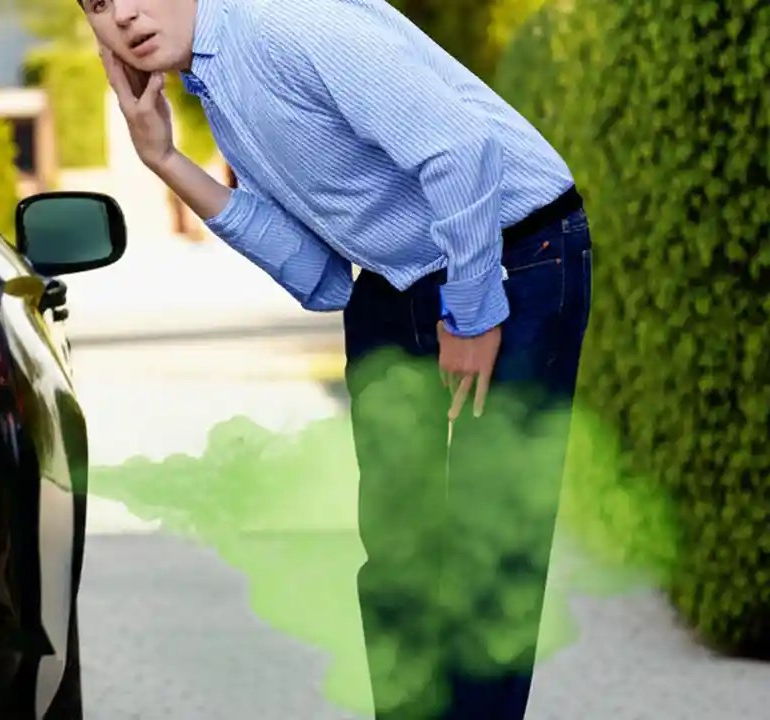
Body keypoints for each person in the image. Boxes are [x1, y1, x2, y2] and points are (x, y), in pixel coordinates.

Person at [81, 0, 593, 718]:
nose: (125, 16)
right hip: (395, 285)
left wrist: (474, 310)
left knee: (488, 550)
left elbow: (459, 149)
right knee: (399, 558)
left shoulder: (289, 23)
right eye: (98, 4)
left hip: (515, 254)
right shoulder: (220, 86)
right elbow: (318, 277)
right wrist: (164, 158)